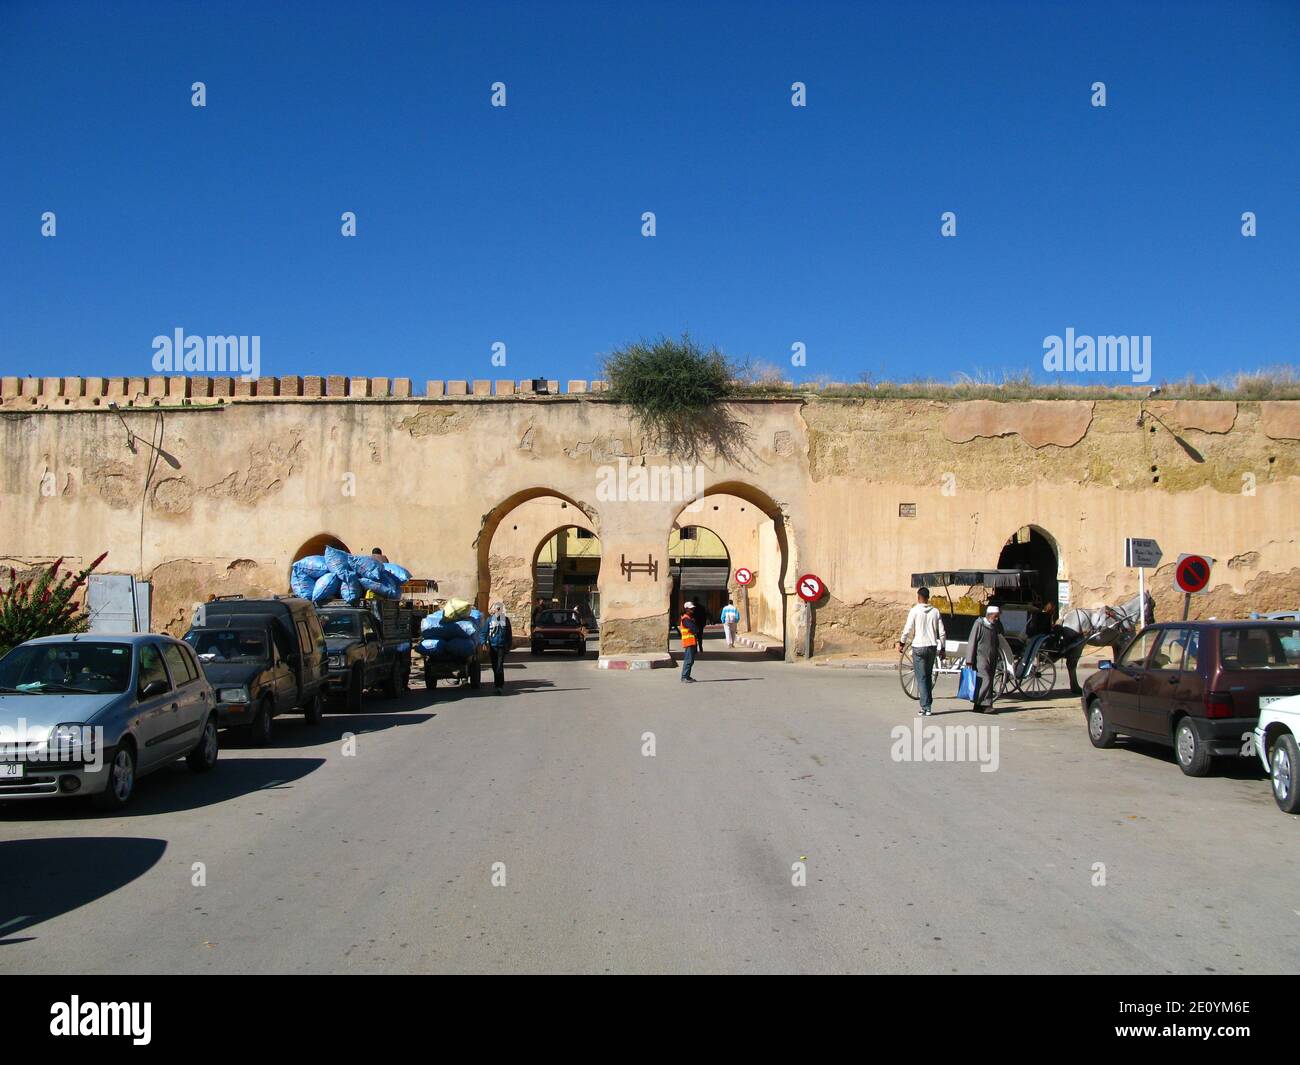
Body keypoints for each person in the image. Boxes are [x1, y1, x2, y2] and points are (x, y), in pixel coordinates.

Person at [898, 586, 946, 716]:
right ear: (928, 598)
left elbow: (907, 629)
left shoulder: (914, 611)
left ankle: (926, 706)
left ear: (918, 597)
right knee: (928, 675)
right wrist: (943, 648)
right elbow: (941, 632)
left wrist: (902, 642)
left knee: (921, 677)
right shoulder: (935, 611)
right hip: (931, 646)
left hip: (918, 647)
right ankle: (927, 705)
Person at [966, 604, 1004, 714]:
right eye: (995, 616)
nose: (997, 619)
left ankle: (980, 705)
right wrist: (969, 660)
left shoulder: (995, 625)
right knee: (986, 679)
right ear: (989, 615)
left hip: (992, 657)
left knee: (989, 680)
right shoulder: (979, 624)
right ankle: (984, 704)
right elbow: (972, 641)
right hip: (980, 657)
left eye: (998, 617)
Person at [484, 601, 513, 695]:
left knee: (499, 666)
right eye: (496, 608)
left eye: (499, 609)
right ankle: (498, 683)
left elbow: (509, 634)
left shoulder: (505, 620)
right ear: (494, 610)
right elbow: (484, 632)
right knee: (494, 666)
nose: (498, 610)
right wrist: (483, 643)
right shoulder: (489, 620)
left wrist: (508, 645)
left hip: (501, 646)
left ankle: (499, 686)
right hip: (492, 646)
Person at [679, 601, 700, 682]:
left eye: (693, 608)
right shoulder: (686, 619)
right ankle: (684, 677)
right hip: (689, 642)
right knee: (688, 660)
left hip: (692, 642)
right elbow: (694, 629)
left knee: (690, 661)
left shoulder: (689, 618)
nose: (692, 610)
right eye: (691, 609)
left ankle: (687, 676)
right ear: (686, 609)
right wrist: (695, 627)